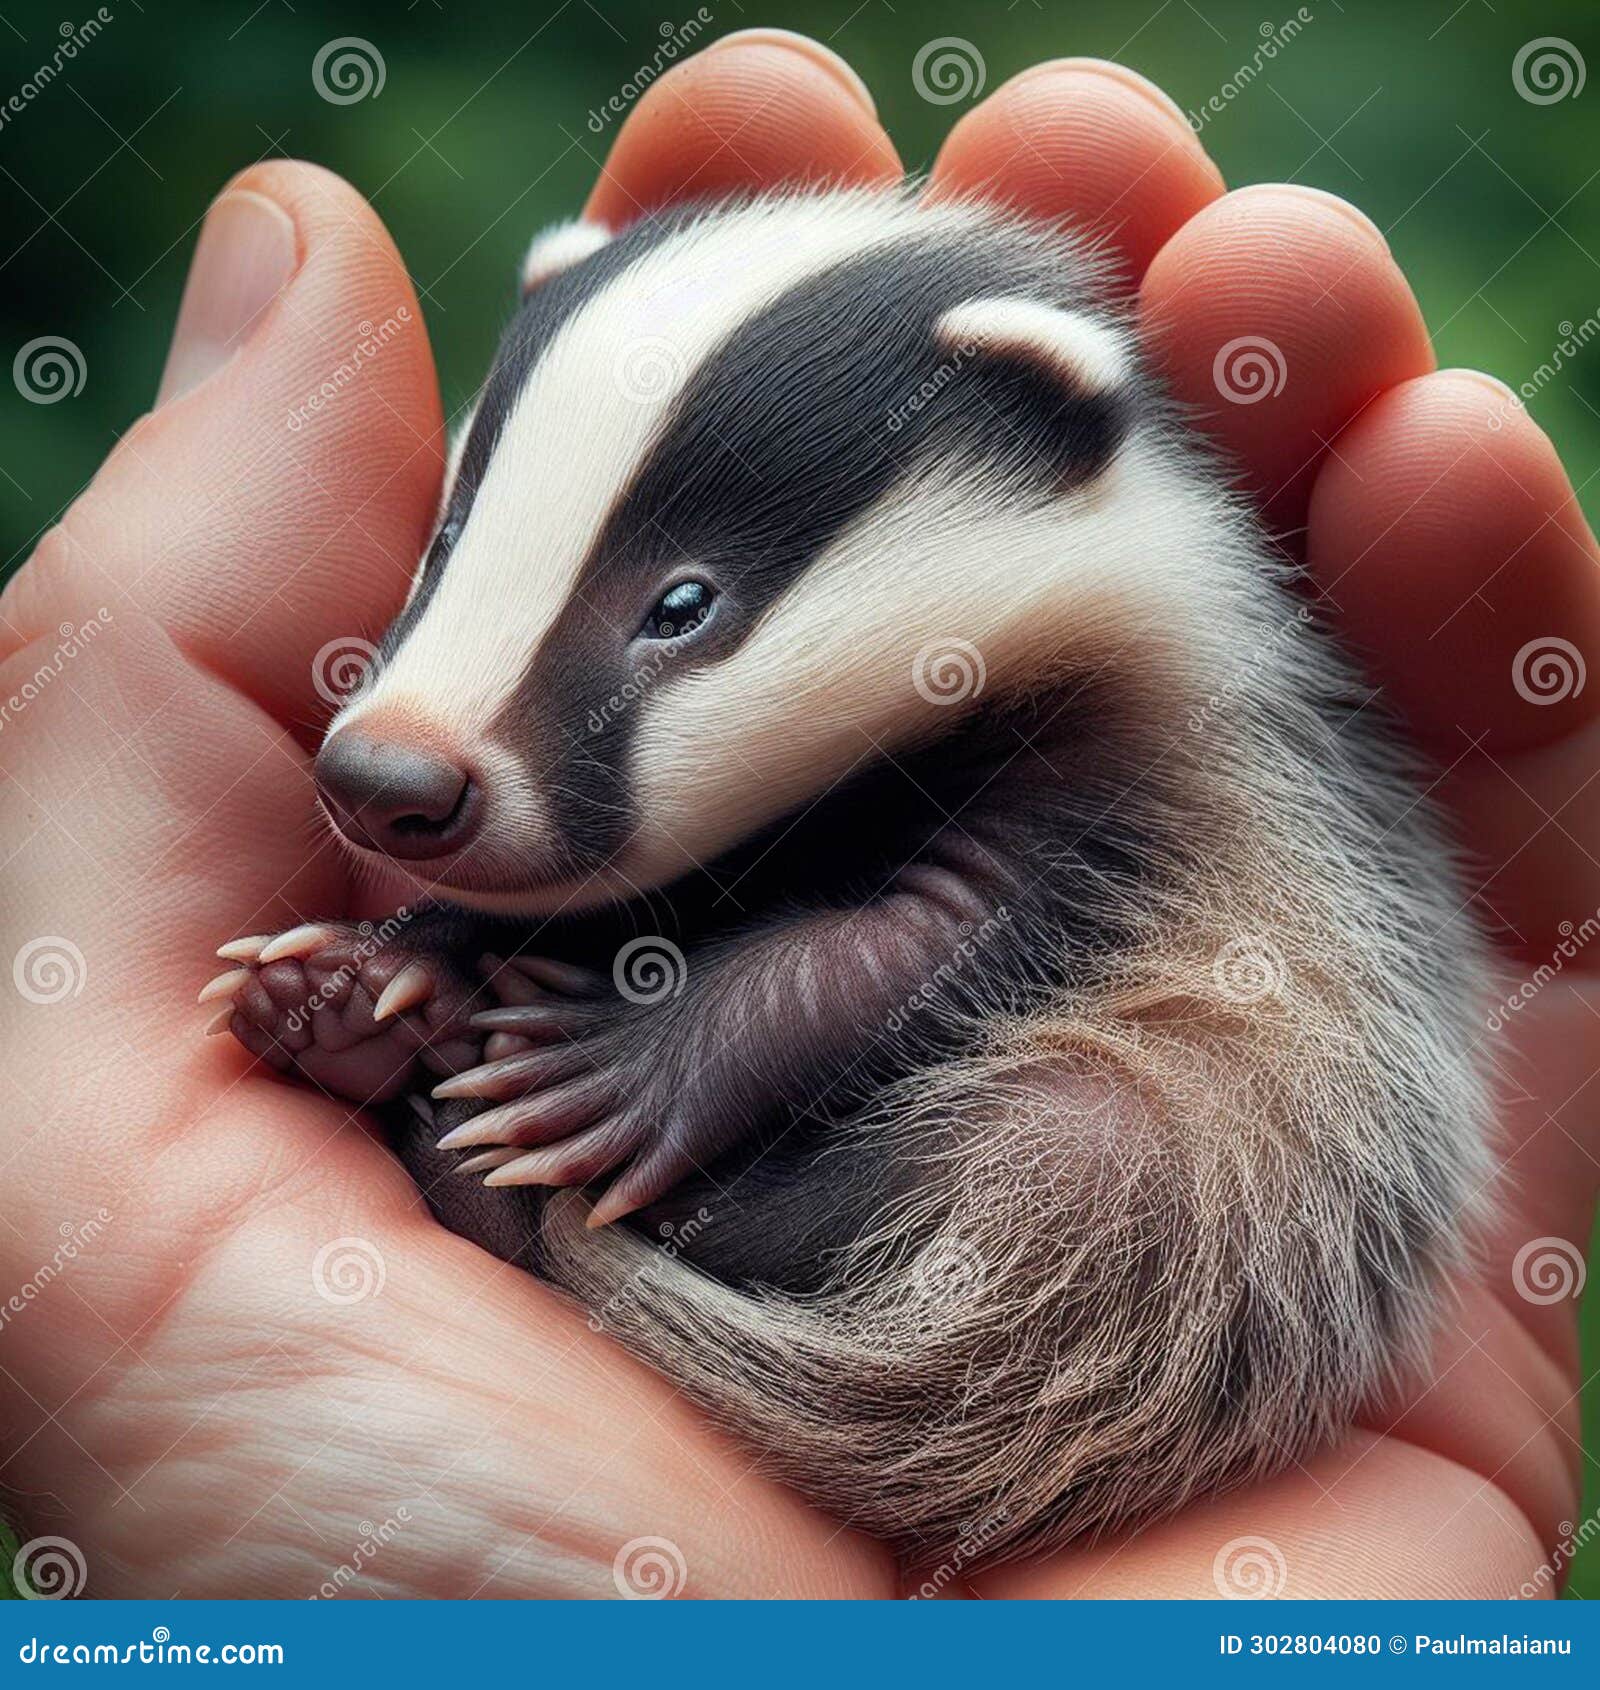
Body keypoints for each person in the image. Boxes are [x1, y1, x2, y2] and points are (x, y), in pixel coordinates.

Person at [0, 30, 1592, 1599]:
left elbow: (940, 924)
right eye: (453, 566)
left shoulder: (1105, 719)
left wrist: (676, 1059)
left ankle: (533, 1196)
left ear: (1031, 456)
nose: (409, 734)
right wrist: (454, 950)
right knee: (567, 948)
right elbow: (685, 882)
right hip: (692, 1419)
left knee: (1089, 1147)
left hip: (1026, 1242)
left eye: (676, 607)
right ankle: (487, 1146)